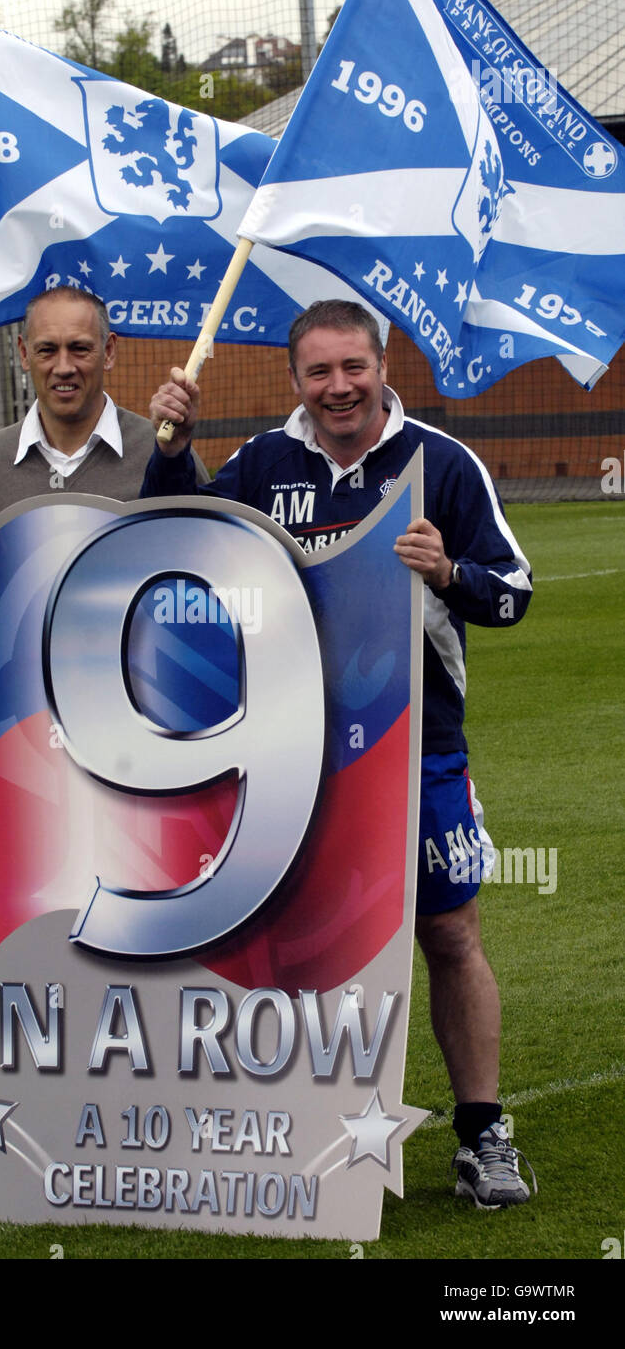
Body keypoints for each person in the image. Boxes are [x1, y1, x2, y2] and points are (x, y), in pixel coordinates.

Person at [141, 298, 537, 1210]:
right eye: (318, 372)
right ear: (295, 380)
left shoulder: (442, 463)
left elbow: (514, 594)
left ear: (381, 364)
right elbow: (174, 545)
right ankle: (298, 1134)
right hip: (287, 749)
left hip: (417, 746)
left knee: (449, 931)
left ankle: (484, 1135)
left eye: (352, 367)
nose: (338, 386)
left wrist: (449, 574)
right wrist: (170, 453)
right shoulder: (264, 463)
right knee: (286, 937)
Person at [0, 286, 208, 630]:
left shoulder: (163, 452)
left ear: (109, 351)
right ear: (24, 354)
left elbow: (207, 583)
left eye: (80, 348)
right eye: (47, 350)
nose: (63, 367)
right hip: (25, 683)